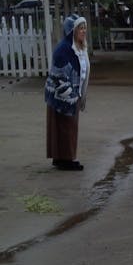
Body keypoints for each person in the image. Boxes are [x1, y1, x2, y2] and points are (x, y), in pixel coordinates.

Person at [45, 14, 90, 171]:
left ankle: (62, 158)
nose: (84, 31)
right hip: (61, 95)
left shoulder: (80, 47)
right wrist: (70, 97)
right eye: (80, 28)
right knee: (65, 127)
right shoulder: (64, 49)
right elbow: (59, 76)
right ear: (72, 31)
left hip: (73, 93)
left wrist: (79, 95)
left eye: (84, 28)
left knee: (66, 127)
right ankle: (67, 159)